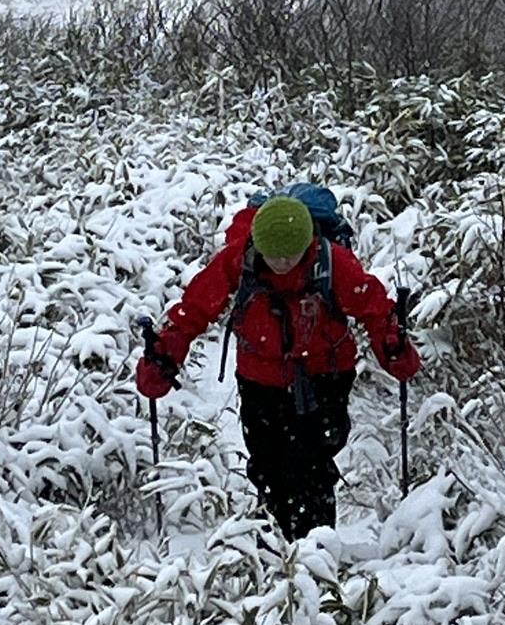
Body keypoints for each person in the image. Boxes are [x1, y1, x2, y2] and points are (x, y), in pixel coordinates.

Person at [135, 193, 421, 538]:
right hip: (260, 379)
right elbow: (194, 308)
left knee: (312, 465)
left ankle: (314, 547)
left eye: (292, 254)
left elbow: (373, 307)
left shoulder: (333, 263)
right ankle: (276, 544)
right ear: (258, 244)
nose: (283, 262)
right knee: (267, 465)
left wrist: (392, 347)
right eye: (274, 255)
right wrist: (165, 355)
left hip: (325, 376)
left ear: (309, 244)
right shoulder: (237, 260)